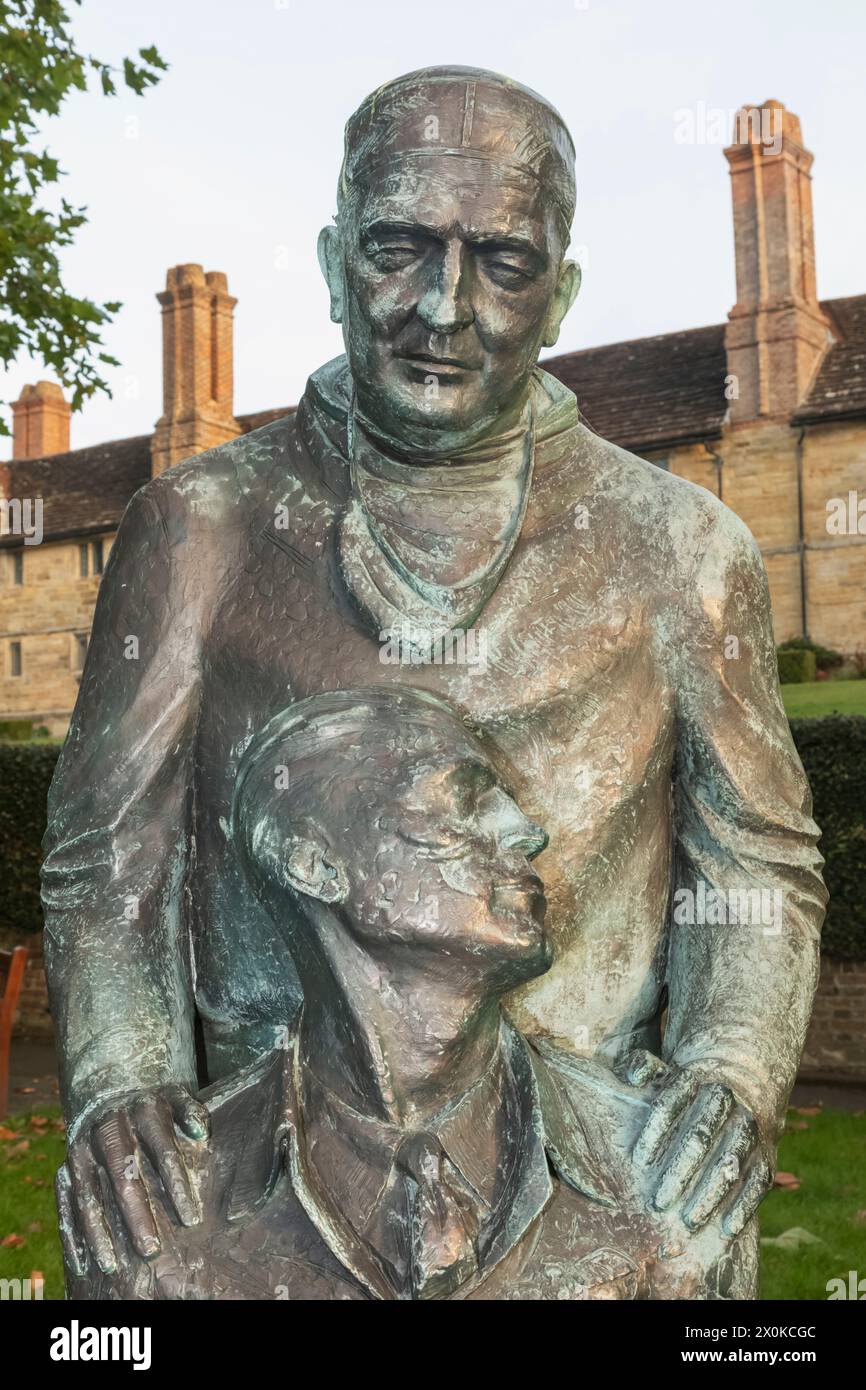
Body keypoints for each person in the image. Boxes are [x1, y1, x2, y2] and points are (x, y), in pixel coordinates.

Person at [44, 67, 825, 1279]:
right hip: (262, 1199)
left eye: (502, 263)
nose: (441, 307)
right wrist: (123, 1075)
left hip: (597, 1197)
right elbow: (110, 850)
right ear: (328, 261)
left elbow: (756, 855)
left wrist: (725, 1069)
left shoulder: (678, 548)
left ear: (559, 293)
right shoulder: (198, 525)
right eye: (397, 246)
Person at [62, 689, 756, 1301]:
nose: (526, 830)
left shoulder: (668, 1176)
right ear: (316, 864)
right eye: (464, 801)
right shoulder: (154, 1213)